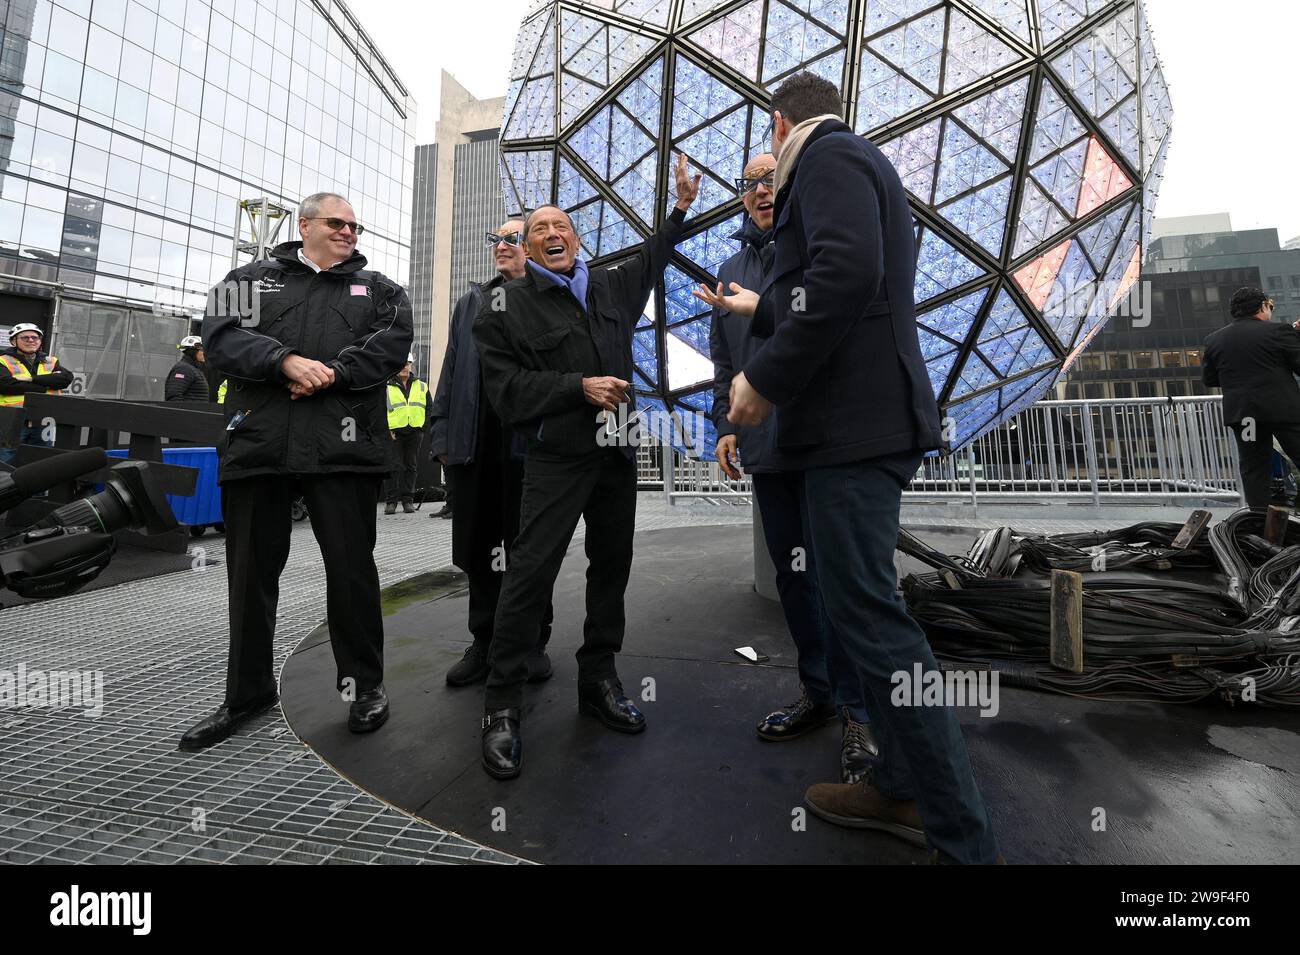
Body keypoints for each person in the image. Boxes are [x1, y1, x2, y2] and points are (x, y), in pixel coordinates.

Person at [700, 73, 999, 863]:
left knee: (873, 620)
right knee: (862, 612)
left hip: (851, 433)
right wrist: (756, 312)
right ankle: (897, 786)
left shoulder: (827, 156)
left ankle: (964, 839)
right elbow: (822, 288)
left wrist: (763, 379)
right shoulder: (853, 159)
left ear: (779, 123)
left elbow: (845, 276)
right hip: (850, 432)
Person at [471, 154, 701, 779]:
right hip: (556, 458)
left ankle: (598, 679)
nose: (552, 234)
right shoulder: (502, 306)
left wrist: (680, 206)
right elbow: (507, 392)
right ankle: (502, 706)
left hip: (615, 455)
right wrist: (578, 387)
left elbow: (655, 254)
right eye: (538, 229)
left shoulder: (610, 287)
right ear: (525, 244)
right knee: (529, 574)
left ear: (576, 238)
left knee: (612, 567)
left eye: (562, 226)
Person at [181, 191, 412, 750]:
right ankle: (247, 693)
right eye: (337, 223)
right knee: (250, 575)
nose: (349, 233)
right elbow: (221, 337)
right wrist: (282, 360)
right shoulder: (250, 279)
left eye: (356, 226)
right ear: (304, 224)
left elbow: (392, 345)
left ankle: (364, 688)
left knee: (352, 572)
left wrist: (329, 372)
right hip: (259, 446)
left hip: (343, 452)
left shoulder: (382, 291)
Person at [700, 154, 877, 785]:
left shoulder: (816, 249)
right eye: (749, 183)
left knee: (840, 578)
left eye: (772, 179)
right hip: (767, 447)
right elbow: (723, 360)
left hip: (825, 440)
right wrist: (724, 425)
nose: (760, 190)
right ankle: (821, 691)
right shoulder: (728, 271)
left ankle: (861, 714)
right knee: (796, 579)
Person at [430, 220, 554, 687]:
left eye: (512, 239)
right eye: (496, 239)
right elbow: (451, 371)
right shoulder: (472, 303)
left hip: (529, 448)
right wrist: (442, 436)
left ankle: (532, 640)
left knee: (528, 549)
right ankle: (483, 641)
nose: (501, 246)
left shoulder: (550, 299)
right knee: (480, 549)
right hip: (475, 447)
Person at [1203, 287, 1300, 508]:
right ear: (1262, 306)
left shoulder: (1214, 340)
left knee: (1254, 470)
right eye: (1270, 307)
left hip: (1246, 417)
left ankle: (1257, 526)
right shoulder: (1279, 331)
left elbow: (1210, 379)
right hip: (1282, 411)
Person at [0, 323, 74, 466]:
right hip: (13, 420)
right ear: (13, 341)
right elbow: (5, 385)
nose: (31, 340)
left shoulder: (50, 361)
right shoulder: (3, 360)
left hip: (44, 419)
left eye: (35, 337)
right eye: (25, 337)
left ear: (40, 341)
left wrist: (31, 379)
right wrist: (44, 386)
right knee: (5, 462)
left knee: (40, 463)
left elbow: (65, 379)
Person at [382, 353, 431, 514]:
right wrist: (387, 430)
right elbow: (380, 410)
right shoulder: (386, 386)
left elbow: (429, 408)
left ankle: (408, 501)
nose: (405, 366)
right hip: (394, 433)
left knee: (411, 466)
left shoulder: (422, 386)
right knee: (393, 467)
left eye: (408, 363)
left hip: (414, 432)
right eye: (402, 363)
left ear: (412, 365)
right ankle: (391, 502)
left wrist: (422, 428)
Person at [165, 335, 211, 403]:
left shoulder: (194, 369)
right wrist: (184, 413)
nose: (205, 353)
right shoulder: (183, 369)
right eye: (202, 349)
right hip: (187, 413)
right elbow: (174, 396)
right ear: (193, 351)